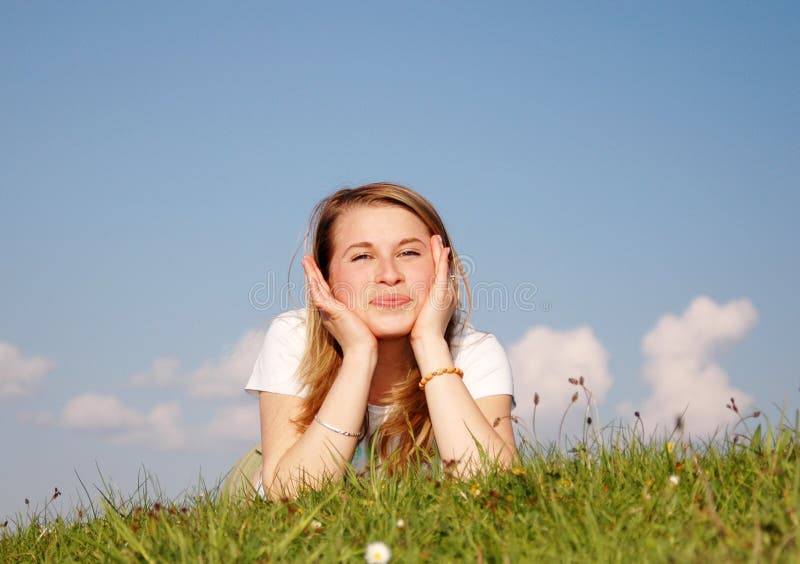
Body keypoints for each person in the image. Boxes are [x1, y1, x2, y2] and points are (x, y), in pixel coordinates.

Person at [241, 182, 516, 499]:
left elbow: (495, 489)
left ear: (444, 267)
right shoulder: (294, 336)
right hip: (273, 473)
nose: (389, 274)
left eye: (409, 253)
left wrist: (430, 343)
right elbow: (289, 494)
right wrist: (359, 354)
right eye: (362, 257)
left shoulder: (474, 351)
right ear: (325, 276)